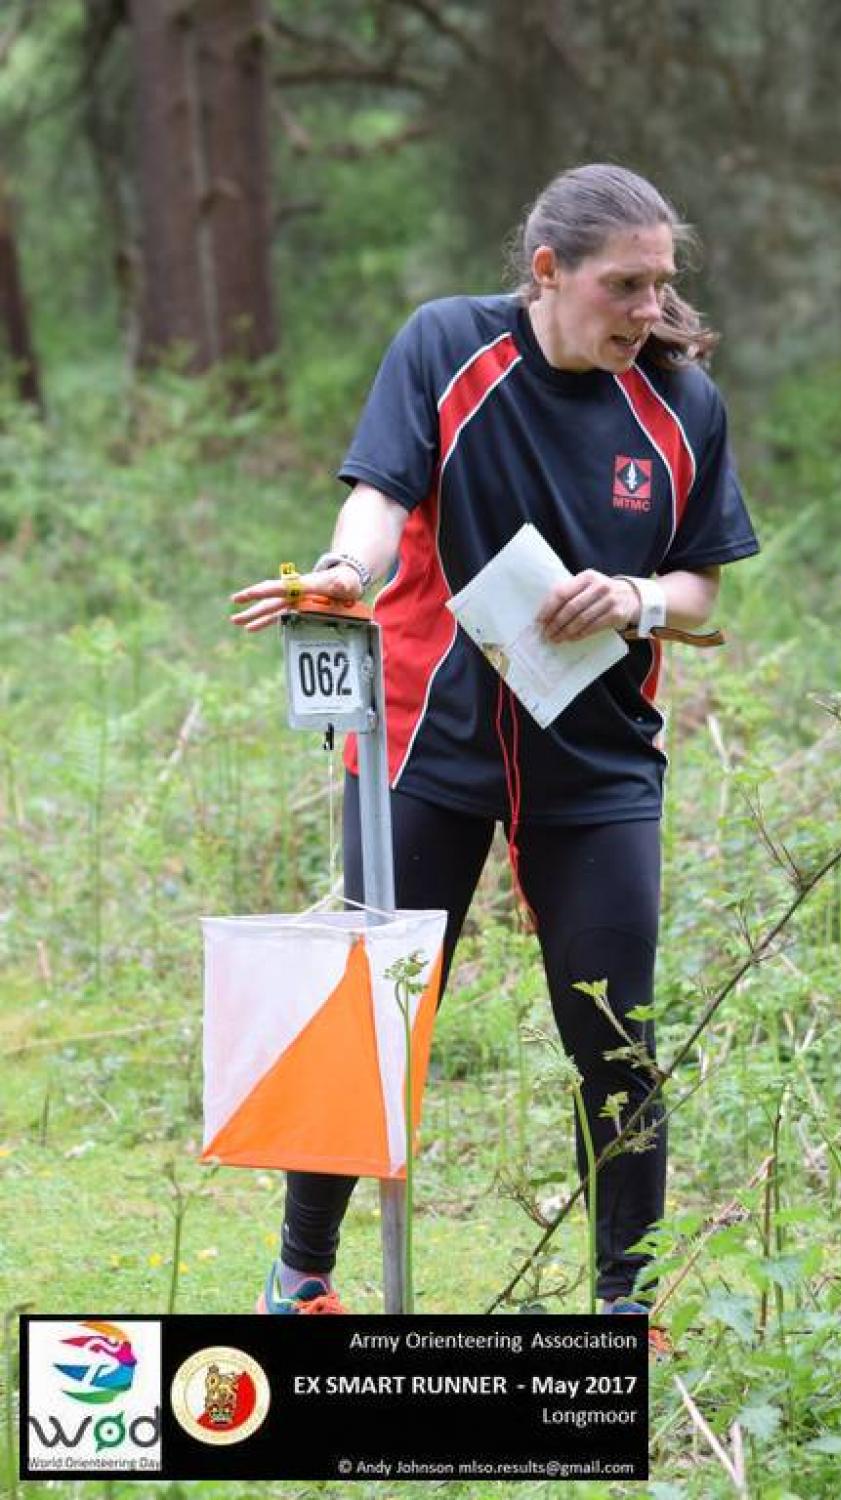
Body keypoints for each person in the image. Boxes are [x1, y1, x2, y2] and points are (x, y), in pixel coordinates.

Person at [231, 163, 759, 1327]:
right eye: (624, 286)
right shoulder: (445, 347)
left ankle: (626, 1314)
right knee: (368, 1014)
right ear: (546, 273)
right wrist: (338, 575)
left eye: (663, 286)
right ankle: (300, 1278)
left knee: (616, 1036)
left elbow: (703, 591)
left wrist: (632, 597)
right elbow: (377, 497)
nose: (648, 311)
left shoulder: (681, 406)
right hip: (429, 740)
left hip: (598, 763)